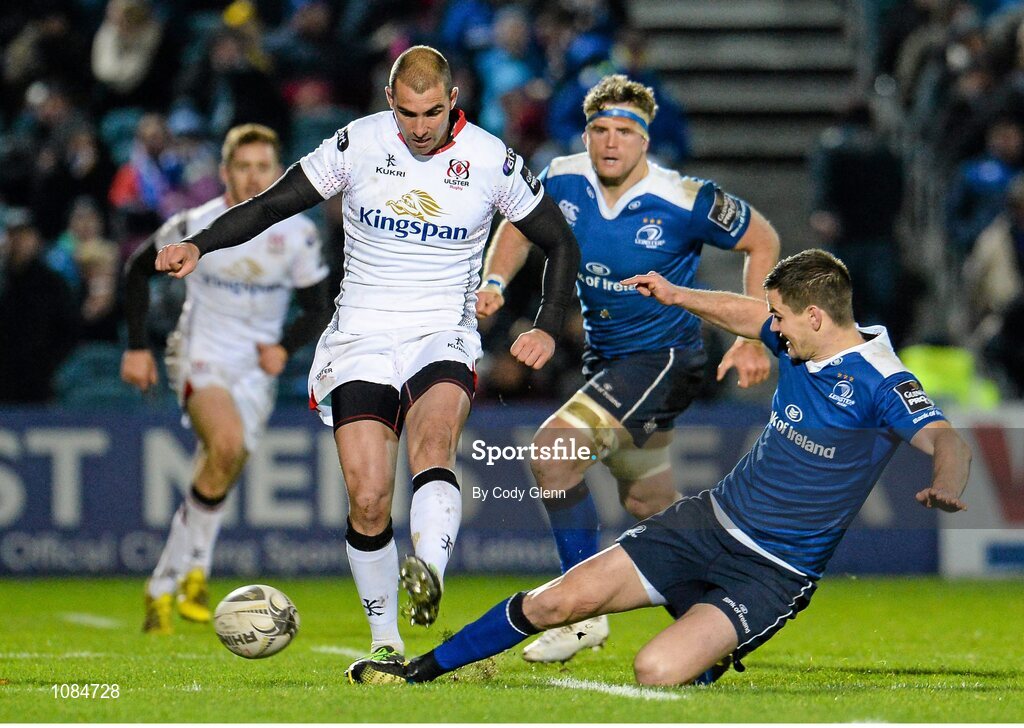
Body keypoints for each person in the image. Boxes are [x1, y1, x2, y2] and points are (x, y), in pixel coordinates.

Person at [346, 248, 971, 687]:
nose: (769, 328)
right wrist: (676, 295)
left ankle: (708, 644)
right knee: (562, 602)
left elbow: (948, 439)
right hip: (706, 522)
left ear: (815, 316)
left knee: (656, 670)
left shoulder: (882, 380)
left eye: (779, 317)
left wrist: (945, 482)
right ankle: (422, 668)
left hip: (776, 571)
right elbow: (743, 313)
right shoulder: (801, 338)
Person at [152, 46, 580, 662]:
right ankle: (386, 643)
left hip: (442, 331)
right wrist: (200, 245)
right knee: (370, 497)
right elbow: (273, 203)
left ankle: (427, 570)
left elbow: (559, 242)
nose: (421, 127)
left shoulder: (491, 160)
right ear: (390, 103)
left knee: (433, 444)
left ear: (453, 101)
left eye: (432, 112)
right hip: (359, 335)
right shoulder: (358, 145)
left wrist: (545, 323)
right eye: (408, 114)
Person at [474, 73, 779, 662]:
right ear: (585, 134)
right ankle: (718, 624)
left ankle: (579, 613)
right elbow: (518, 225)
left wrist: (755, 336)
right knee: (648, 505)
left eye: (624, 131)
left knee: (552, 453)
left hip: (669, 357)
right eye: (599, 129)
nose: (611, 142)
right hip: (610, 360)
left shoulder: (685, 198)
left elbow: (761, 239)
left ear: (645, 140)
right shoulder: (561, 177)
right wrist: (493, 280)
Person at [121, 123, 333, 634]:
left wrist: (284, 347)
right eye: (244, 166)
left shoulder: (297, 235)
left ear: (277, 171)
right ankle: (198, 572)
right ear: (225, 171)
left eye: (264, 166)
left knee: (222, 464)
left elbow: (317, 308)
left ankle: (164, 583)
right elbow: (135, 270)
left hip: (254, 370)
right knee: (228, 443)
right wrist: (136, 347)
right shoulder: (197, 223)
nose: (254, 176)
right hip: (201, 353)